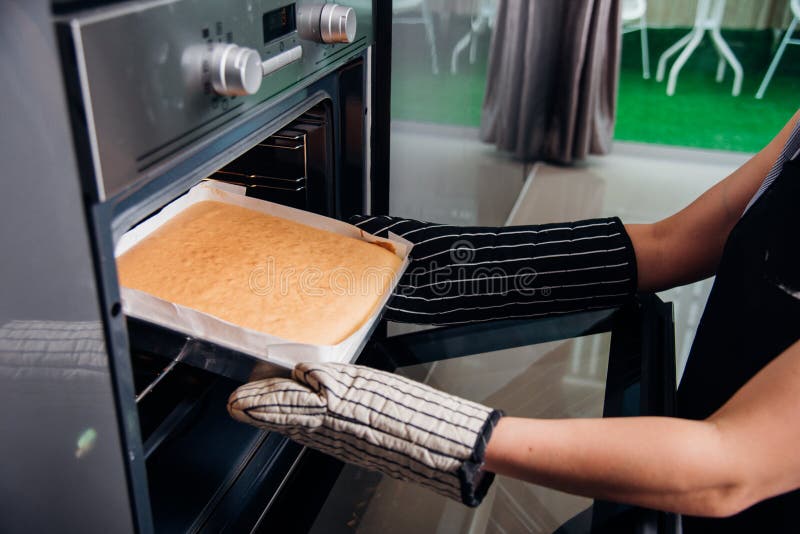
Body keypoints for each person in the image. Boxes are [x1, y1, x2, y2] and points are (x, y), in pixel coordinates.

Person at [228, 109, 800, 531]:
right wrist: (442, 265)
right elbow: (677, 242)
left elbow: (731, 465)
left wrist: (447, 430)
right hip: (677, 465)